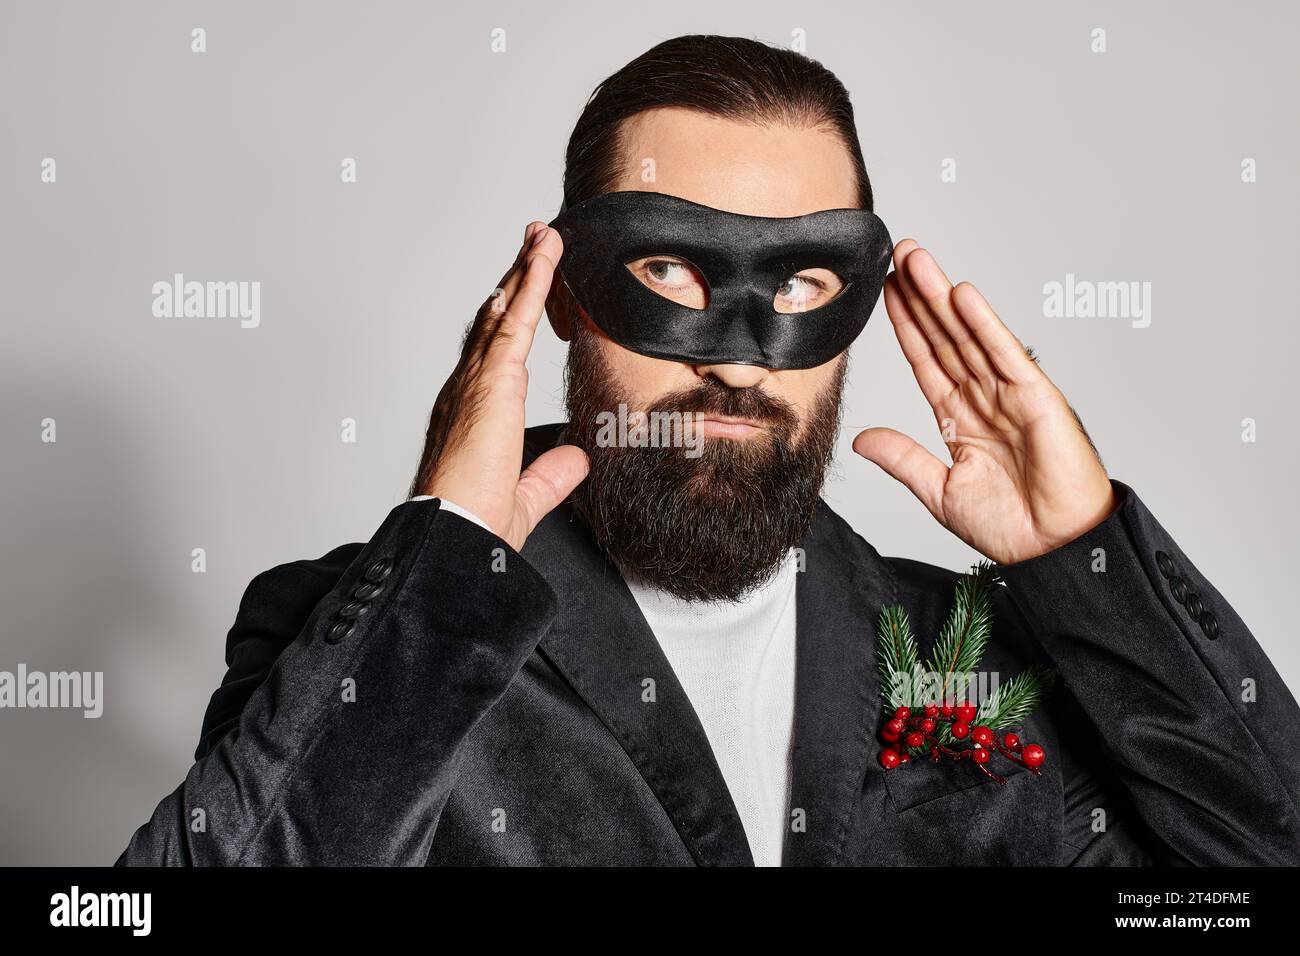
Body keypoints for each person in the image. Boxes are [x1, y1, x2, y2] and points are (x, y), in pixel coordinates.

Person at [119, 34, 1300, 866]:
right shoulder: (367, 638)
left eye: (801, 280)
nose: (737, 363)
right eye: (670, 270)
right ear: (566, 296)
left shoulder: (984, 656)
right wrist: (444, 566)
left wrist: (1088, 565)